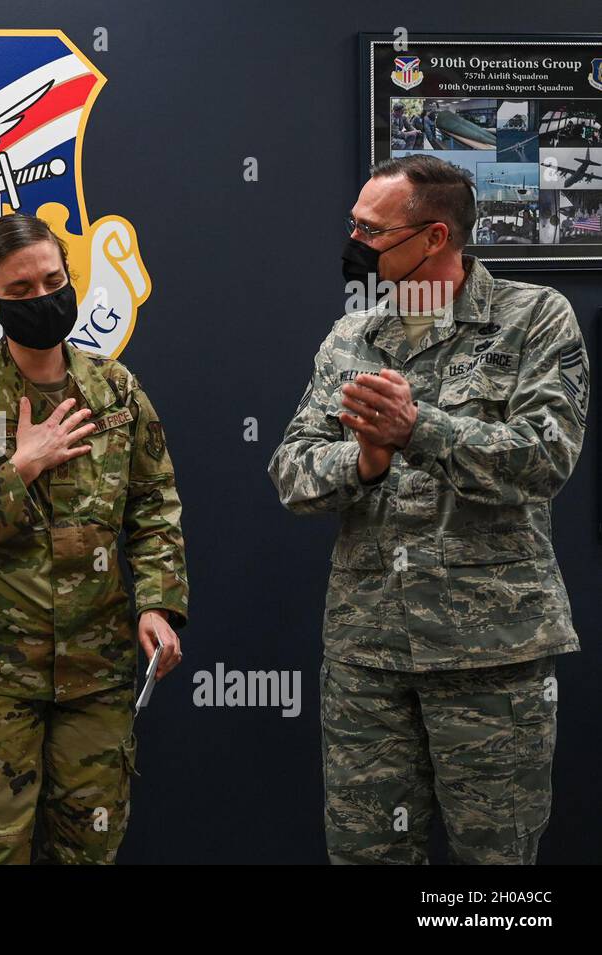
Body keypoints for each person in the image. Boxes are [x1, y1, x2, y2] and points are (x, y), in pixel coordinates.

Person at [268, 153, 588, 864]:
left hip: (491, 655)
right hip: (368, 658)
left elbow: (544, 458)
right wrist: (365, 460)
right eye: (353, 223)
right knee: (365, 854)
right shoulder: (352, 337)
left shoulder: (534, 319)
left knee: (494, 868)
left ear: (435, 237)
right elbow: (291, 470)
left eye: (371, 230)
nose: (354, 243)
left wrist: (420, 431)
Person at [0, 212, 188, 864]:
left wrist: (158, 603)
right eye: (21, 290)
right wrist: (19, 469)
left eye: (53, 280)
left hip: (97, 676)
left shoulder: (115, 391)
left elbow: (154, 506)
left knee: (89, 851)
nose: (43, 298)